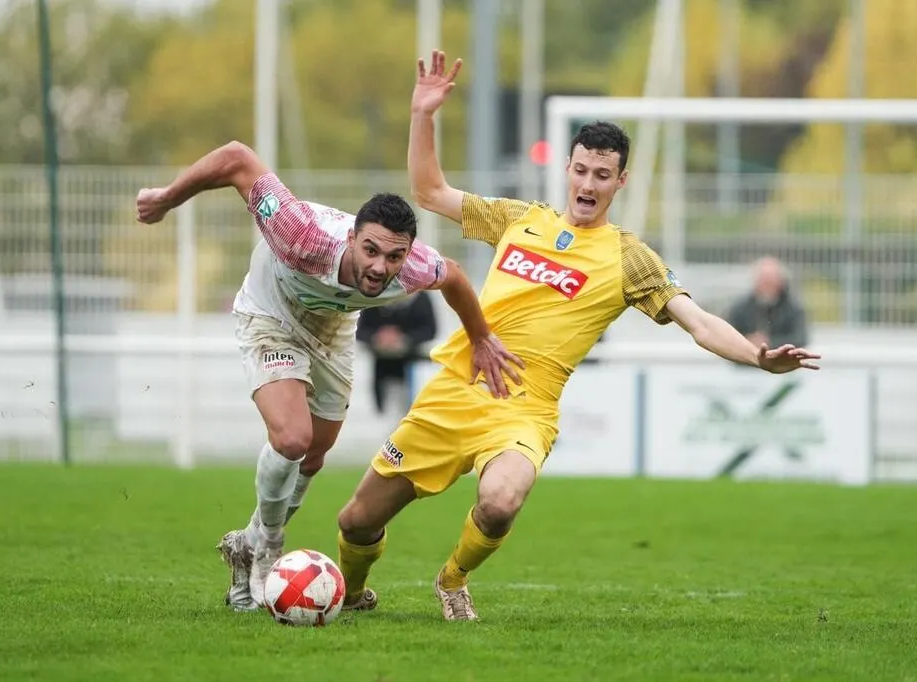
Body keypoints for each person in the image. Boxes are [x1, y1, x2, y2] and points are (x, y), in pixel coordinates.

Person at [334, 51, 823, 621]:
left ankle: (452, 578)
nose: (588, 184)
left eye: (602, 175)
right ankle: (351, 590)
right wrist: (423, 113)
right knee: (356, 521)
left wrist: (757, 356)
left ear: (620, 180)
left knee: (500, 501)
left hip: (525, 411)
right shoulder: (520, 219)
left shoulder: (628, 257)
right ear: (568, 168)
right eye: (581, 170)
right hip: (453, 392)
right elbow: (429, 190)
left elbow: (698, 321)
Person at [135, 140, 523, 612]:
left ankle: (246, 543)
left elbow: (457, 278)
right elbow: (236, 158)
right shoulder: (301, 235)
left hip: (333, 331)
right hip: (270, 316)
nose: (381, 267)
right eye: (371, 250)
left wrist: (481, 338)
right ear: (351, 238)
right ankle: (268, 546)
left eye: (393, 256)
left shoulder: (416, 266)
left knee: (314, 456)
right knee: (293, 439)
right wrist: (167, 198)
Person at [355, 291, 438, 414]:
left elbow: (430, 330)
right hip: (380, 366)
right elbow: (360, 330)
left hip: (411, 365)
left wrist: (404, 339)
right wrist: (378, 337)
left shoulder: (420, 298)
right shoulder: (374, 296)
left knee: (407, 407)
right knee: (383, 411)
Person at [727, 256, 809, 349]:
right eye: (763, 280)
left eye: (770, 280)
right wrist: (748, 341)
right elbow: (729, 336)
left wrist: (769, 342)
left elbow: (800, 339)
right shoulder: (740, 308)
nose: (766, 285)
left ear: (781, 282)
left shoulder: (794, 308)